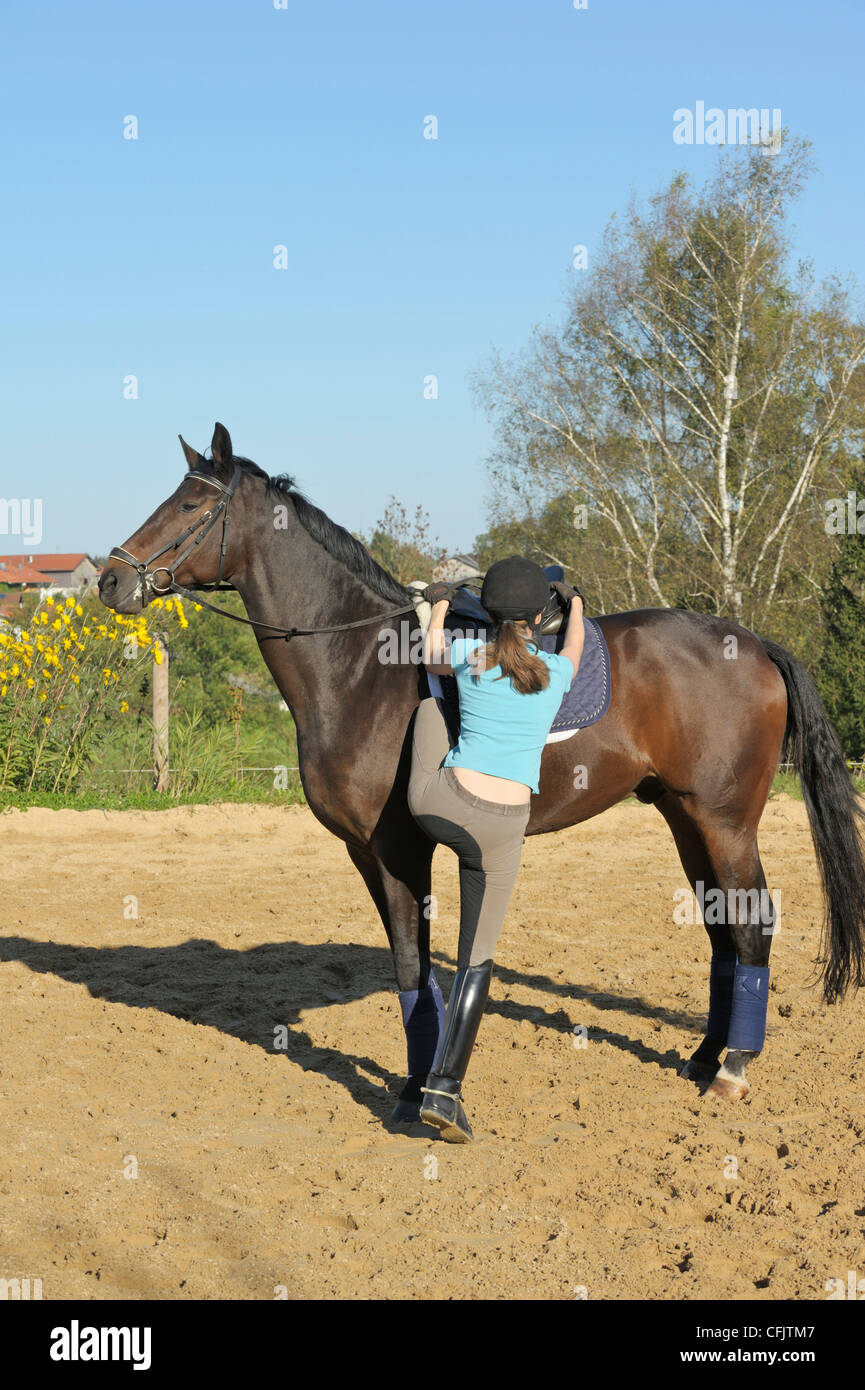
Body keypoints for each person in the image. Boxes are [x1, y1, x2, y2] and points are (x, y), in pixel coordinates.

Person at [407, 555, 585, 1142]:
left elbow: (429, 652)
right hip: (505, 827)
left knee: (433, 703)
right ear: (540, 616)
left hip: (436, 804)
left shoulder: (472, 657)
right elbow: (577, 650)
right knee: (475, 960)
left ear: (485, 612)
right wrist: (577, 605)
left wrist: (436, 603)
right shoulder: (556, 672)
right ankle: (445, 1091)